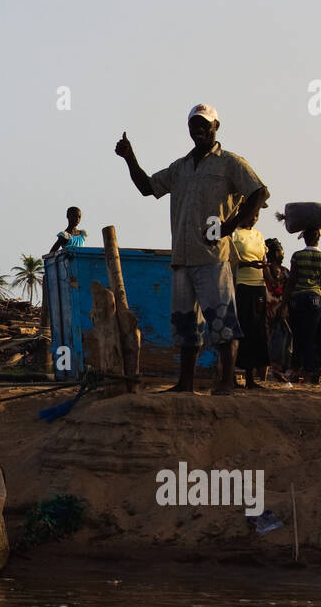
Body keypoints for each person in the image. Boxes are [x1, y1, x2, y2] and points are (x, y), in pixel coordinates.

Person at [115, 103, 269, 394]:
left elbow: (259, 192)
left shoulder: (230, 163)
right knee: (185, 323)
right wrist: (129, 157)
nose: (198, 130)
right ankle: (185, 383)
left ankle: (226, 382)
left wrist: (229, 226)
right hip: (182, 257)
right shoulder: (180, 167)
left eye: (204, 125)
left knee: (222, 320)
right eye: (194, 125)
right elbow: (148, 187)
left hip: (213, 256)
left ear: (216, 127)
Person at [285, 229, 321, 384]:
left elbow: (291, 281)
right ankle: (308, 372)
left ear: (304, 238)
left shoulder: (297, 256)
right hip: (315, 300)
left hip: (297, 299)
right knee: (311, 336)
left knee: (298, 335)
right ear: (318, 238)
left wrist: (284, 303)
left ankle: (295, 370)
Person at [231, 203, 269, 388]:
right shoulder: (234, 234)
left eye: (257, 215)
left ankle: (251, 377)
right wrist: (248, 265)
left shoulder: (259, 235)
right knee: (243, 328)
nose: (255, 218)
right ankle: (232, 373)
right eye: (252, 214)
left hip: (259, 286)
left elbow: (263, 260)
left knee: (257, 330)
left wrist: (270, 277)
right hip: (242, 285)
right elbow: (231, 261)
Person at [263, 237, 292, 381]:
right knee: (267, 338)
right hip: (268, 308)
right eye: (281, 250)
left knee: (282, 338)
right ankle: (269, 370)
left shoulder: (285, 271)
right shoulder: (265, 269)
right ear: (275, 253)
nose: (283, 253)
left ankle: (277, 368)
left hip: (280, 310)